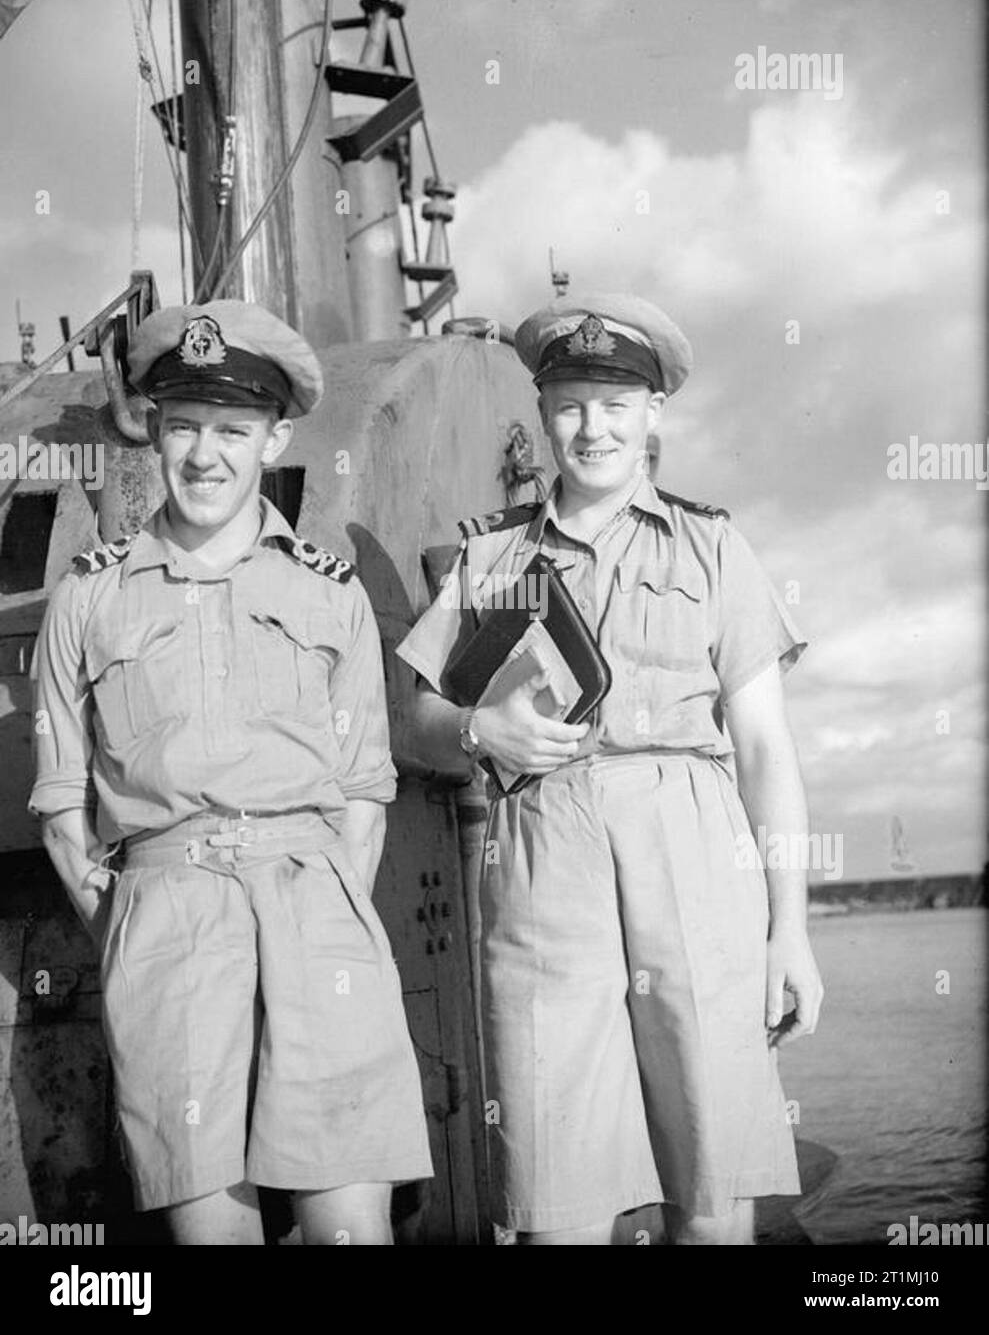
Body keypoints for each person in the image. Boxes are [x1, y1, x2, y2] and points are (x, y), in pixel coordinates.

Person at [396, 292, 824, 1245]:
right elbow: (416, 723)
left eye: (614, 405)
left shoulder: (712, 547)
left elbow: (764, 751)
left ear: (652, 415)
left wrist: (788, 932)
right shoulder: (490, 558)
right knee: (555, 1192)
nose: (592, 429)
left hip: (696, 866)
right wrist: (480, 731)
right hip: (545, 870)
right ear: (544, 414)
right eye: (571, 405)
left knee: (710, 1193)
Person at [30, 300, 432, 1245]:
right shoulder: (86, 598)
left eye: (231, 431)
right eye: (183, 428)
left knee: (350, 1233)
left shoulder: (329, 594)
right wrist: (140, 919)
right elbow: (60, 807)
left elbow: (365, 789)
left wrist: (320, 905)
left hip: (317, 919)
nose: (204, 455)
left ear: (274, 437)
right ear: (154, 432)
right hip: (166, 920)